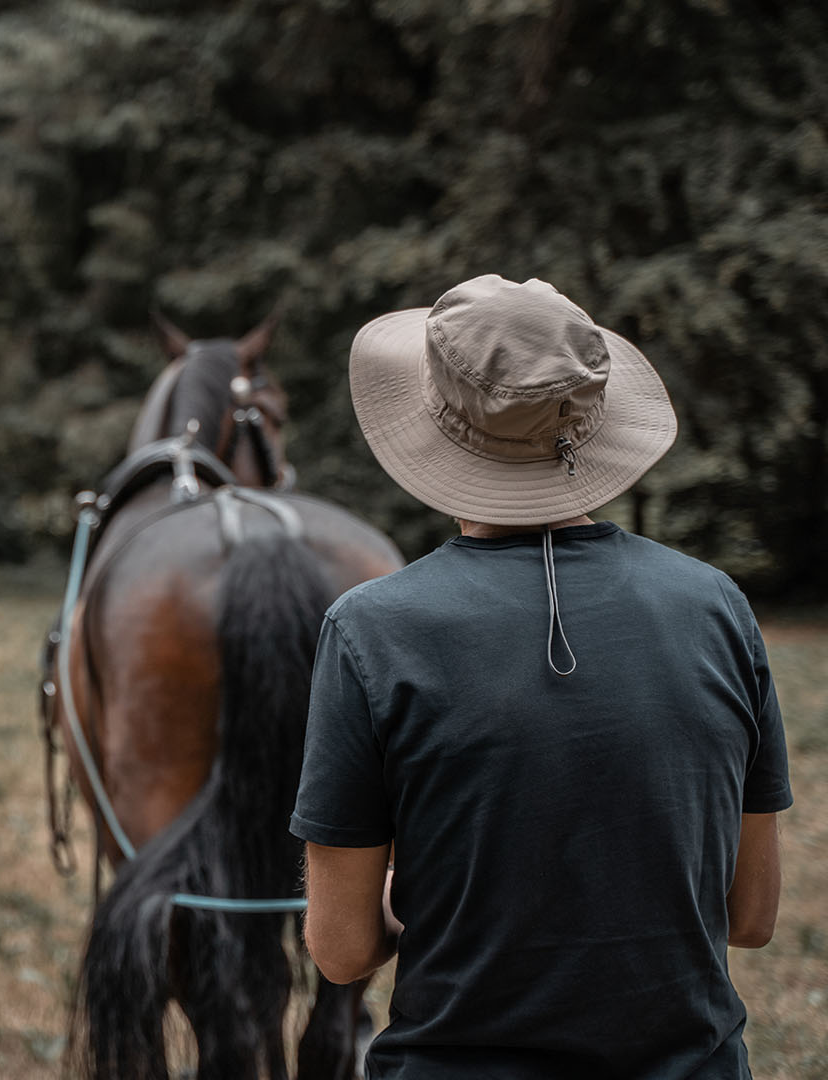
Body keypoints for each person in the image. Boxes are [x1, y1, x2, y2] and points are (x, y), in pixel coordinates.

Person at [291, 275, 791, 1078]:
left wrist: (406, 898)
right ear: (592, 423)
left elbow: (343, 952)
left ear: (436, 427)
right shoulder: (716, 607)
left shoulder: (370, 631)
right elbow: (752, 915)